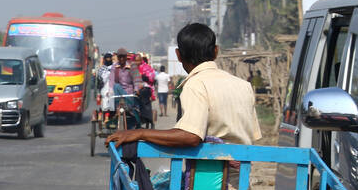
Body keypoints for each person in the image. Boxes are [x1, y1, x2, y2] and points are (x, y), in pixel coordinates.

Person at [111, 22, 262, 149]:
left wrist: (140, 133)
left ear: (178, 55)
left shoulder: (195, 85)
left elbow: (191, 136)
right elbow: (253, 135)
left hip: (207, 180)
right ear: (216, 51)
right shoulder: (244, 86)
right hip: (242, 178)